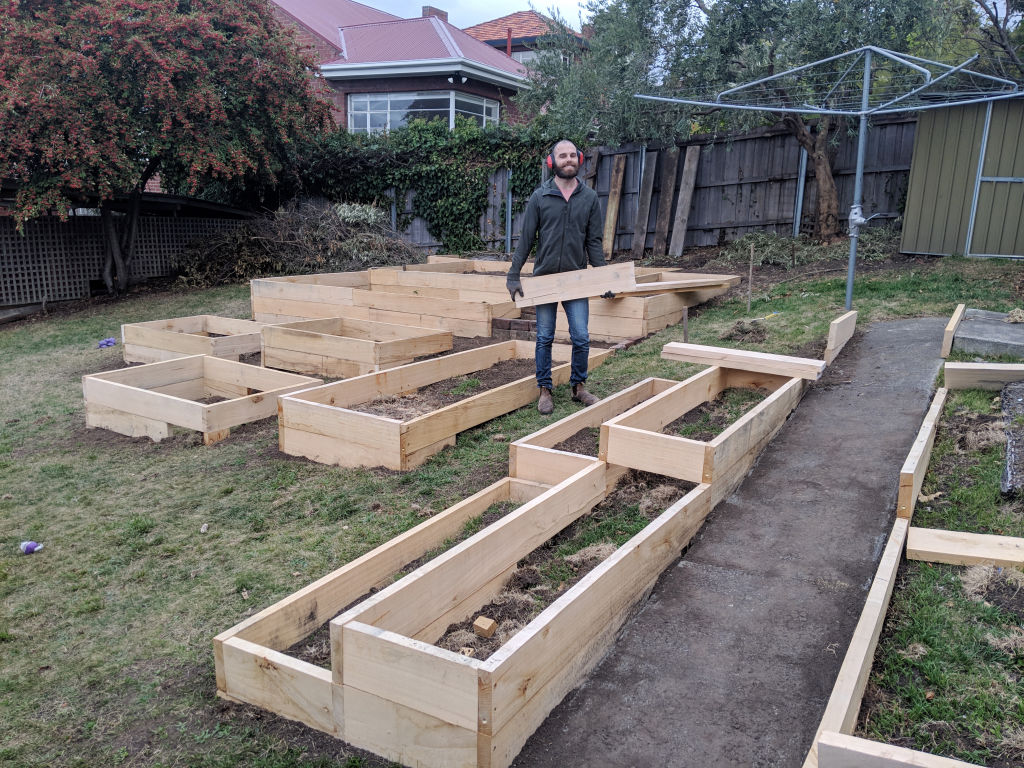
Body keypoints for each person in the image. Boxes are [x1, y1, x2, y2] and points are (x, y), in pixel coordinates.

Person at [506, 139, 613, 415]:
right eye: (562, 156)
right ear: (552, 162)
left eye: (572, 155)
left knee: (581, 336)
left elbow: (594, 243)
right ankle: (545, 389)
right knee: (544, 337)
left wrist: (603, 280)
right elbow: (526, 238)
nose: (568, 160)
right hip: (545, 280)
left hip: (576, 280)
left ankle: (579, 388)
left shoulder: (589, 198)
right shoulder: (540, 197)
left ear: (579, 159)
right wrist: (513, 274)